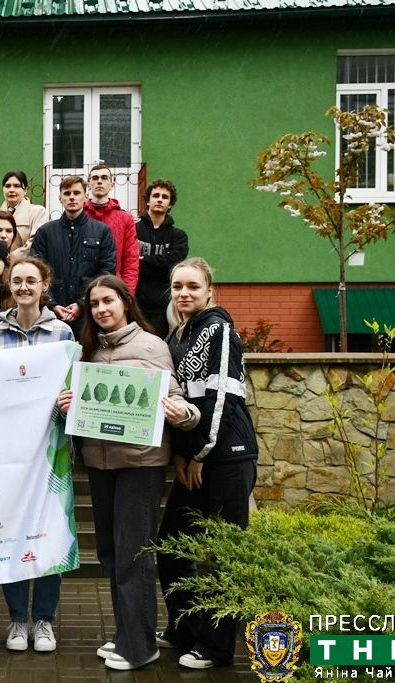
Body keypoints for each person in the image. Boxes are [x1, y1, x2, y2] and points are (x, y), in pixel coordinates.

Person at [57, 275, 199, 672]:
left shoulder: (151, 346)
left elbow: (176, 398)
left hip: (140, 464)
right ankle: (126, 634)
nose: (102, 309)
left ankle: (140, 646)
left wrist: (183, 414)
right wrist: (69, 405)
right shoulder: (88, 350)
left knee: (134, 555)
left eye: (108, 301)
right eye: (95, 303)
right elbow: (83, 405)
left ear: (125, 302)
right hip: (100, 464)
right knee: (110, 553)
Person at [156, 257, 258, 670]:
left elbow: (222, 400)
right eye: (178, 286)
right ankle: (187, 627)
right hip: (197, 457)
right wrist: (182, 454)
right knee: (171, 544)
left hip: (228, 457)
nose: (184, 293)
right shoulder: (180, 332)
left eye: (193, 287)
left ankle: (217, 649)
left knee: (223, 555)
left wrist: (200, 452)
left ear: (209, 291)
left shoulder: (219, 328)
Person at [0, 255, 74, 653]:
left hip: (53, 449)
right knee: (10, 533)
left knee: (49, 533)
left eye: (30, 280)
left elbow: (75, 384)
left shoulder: (64, 333)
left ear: (44, 284)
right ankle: (18, 620)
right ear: (9, 285)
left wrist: (73, 400)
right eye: (16, 280)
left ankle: (45, 621)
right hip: (8, 451)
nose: (22, 287)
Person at [30, 175, 116, 336]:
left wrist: (82, 304)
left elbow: (107, 272)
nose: (71, 197)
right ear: (60, 198)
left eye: (76, 193)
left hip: (90, 315)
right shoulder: (45, 233)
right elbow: (35, 272)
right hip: (50, 315)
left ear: (85, 197)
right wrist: (52, 304)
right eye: (67, 193)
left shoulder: (102, 231)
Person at [135, 178, 188, 337]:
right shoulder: (133, 230)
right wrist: (159, 263)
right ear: (148, 201)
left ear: (170, 204)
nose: (159, 199)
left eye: (165, 197)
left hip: (162, 305)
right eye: (155, 195)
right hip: (136, 302)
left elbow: (174, 264)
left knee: (157, 346)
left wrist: (143, 260)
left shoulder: (178, 236)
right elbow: (129, 261)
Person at [83, 164, 140, 294]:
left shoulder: (125, 218)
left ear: (112, 184)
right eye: (95, 178)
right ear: (88, 184)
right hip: (82, 288)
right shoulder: (79, 215)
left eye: (104, 178)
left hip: (114, 286)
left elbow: (130, 259)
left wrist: (128, 293)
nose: (99, 181)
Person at [0, 169, 49, 254]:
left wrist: (11, 259)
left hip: (26, 264)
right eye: (7, 186)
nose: (11, 190)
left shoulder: (38, 212)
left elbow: (35, 242)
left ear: (25, 190)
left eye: (17, 186)